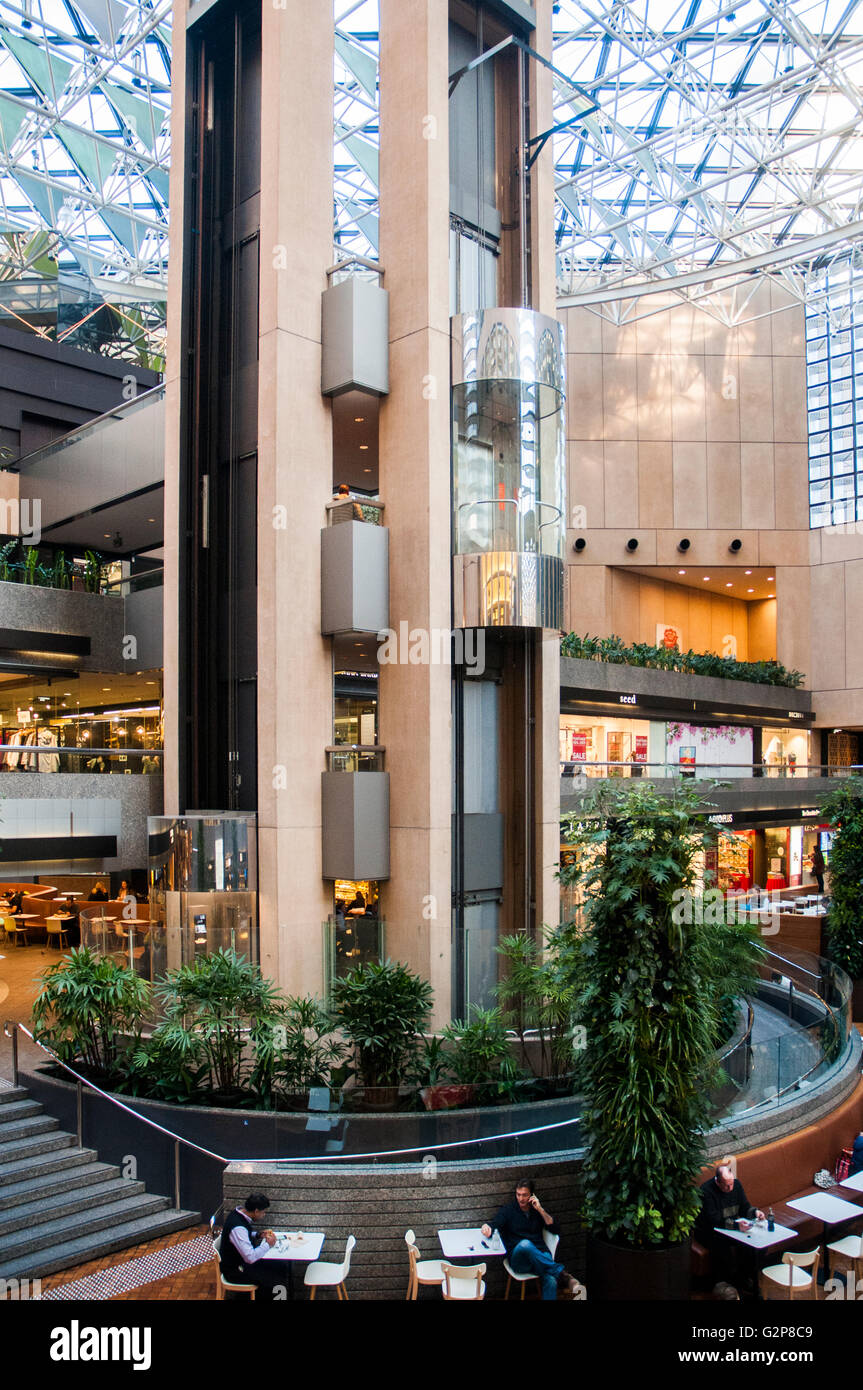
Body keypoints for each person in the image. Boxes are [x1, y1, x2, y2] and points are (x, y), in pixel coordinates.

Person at [481, 1178, 583, 1300]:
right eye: (518, 1194)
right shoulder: (508, 1210)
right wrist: (486, 1227)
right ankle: (564, 1276)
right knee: (525, 1244)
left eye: (524, 1195)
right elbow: (495, 1225)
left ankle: (557, 1272)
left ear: (532, 1195)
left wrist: (540, 1209)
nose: (521, 1198)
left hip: (539, 1258)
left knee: (550, 1278)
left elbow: (555, 1229)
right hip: (519, 1261)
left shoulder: (536, 1211)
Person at [694, 1161, 765, 1296]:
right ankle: (723, 1283)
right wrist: (737, 1226)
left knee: (753, 1244)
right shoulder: (706, 1191)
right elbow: (713, 1220)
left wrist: (755, 1212)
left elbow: (744, 1207)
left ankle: (744, 1277)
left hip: (730, 1226)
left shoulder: (736, 1185)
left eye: (731, 1184)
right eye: (726, 1185)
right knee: (720, 1245)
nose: (730, 1188)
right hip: (709, 1231)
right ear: (718, 1182)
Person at [218, 1193, 289, 1301]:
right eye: (263, 1212)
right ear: (256, 1211)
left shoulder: (238, 1213)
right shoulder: (238, 1227)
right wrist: (268, 1245)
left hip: (241, 1263)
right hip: (236, 1270)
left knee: (282, 1266)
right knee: (277, 1279)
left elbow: (241, 1238)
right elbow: (250, 1257)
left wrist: (257, 1235)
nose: (264, 1215)